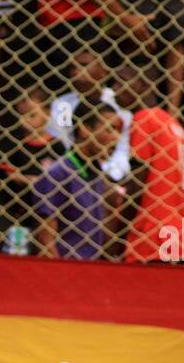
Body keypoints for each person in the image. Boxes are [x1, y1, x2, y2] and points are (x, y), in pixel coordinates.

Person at [114, 63, 184, 263]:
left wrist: (117, 234)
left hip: (152, 230)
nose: (114, 90)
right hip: (181, 229)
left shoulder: (144, 118)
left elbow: (138, 181)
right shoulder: (172, 124)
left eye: (121, 81)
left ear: (143, 84)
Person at [32, 102, 121, 260]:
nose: (117, 138)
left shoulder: (98, 177)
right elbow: (45, 243)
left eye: (118, 131)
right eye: (110, 128)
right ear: (85, 129)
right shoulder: (58, 173)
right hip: (64, 272)